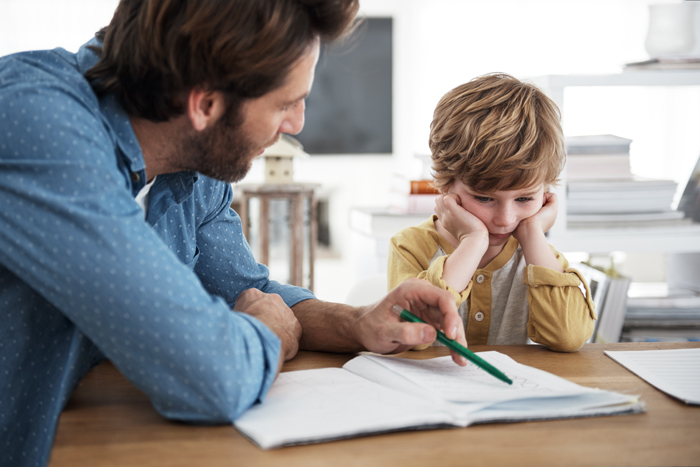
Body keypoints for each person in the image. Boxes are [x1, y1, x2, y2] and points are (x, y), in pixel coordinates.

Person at [0, 1, 468, 465]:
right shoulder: (37, 126)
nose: (297, 124)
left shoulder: (195, 164)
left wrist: (358, 322)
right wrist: (268, 330)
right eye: (286, 103)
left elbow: (249, 291)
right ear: (205, 103)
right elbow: (213, 376)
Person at [388, 73, 597, 354]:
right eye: (485, 198)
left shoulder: (538, 255)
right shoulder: (409, 246)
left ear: (546, 191)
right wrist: (473, 241)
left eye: (524, 198)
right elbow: (413, 335)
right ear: (445, 182)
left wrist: (534, 233)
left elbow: (569, 338)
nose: (505, 219)